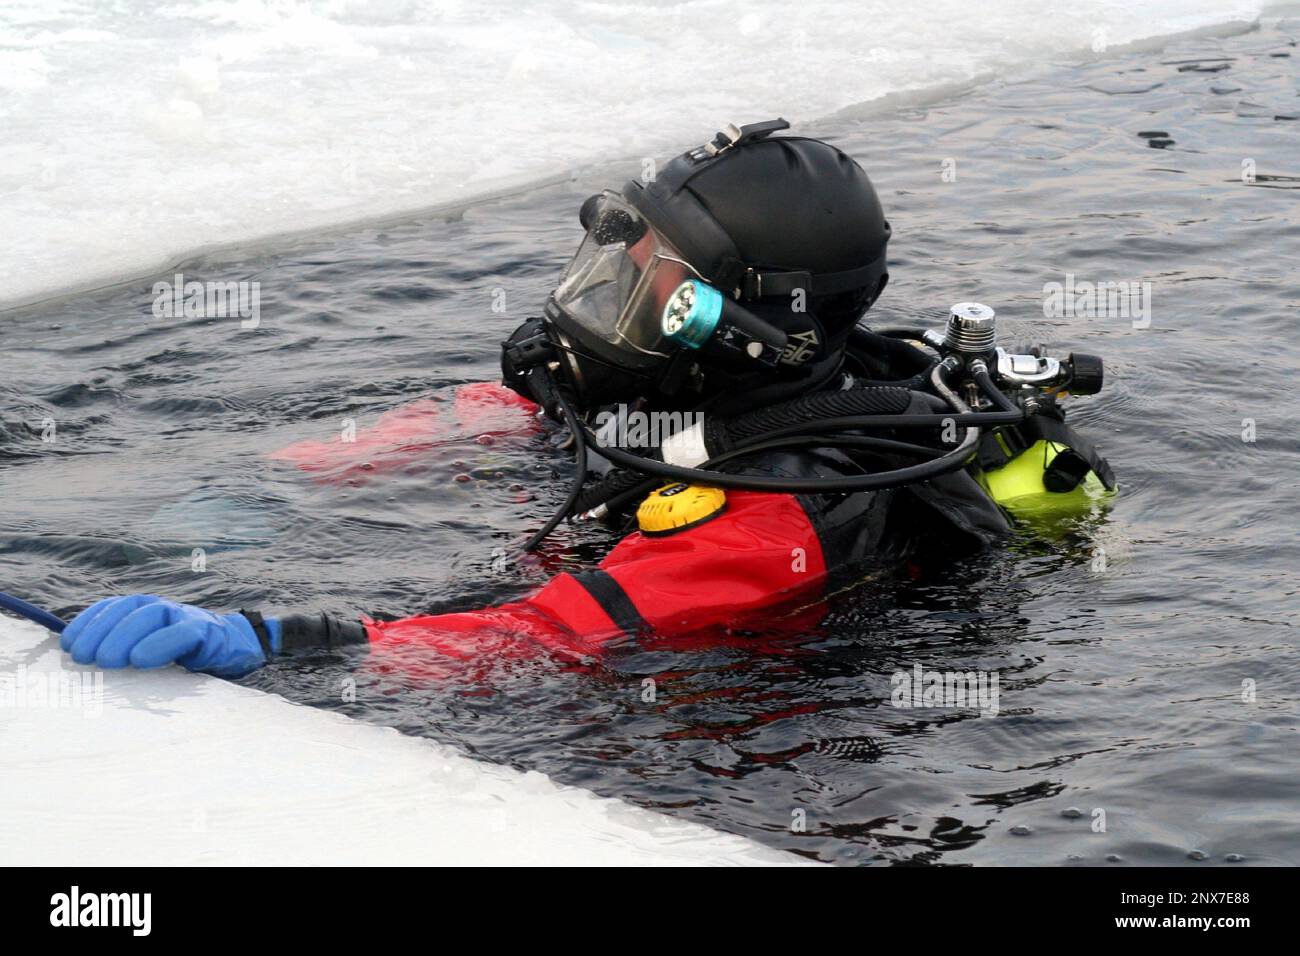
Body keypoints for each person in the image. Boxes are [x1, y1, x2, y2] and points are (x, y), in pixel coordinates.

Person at [59, 120, 1114, 680]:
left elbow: (535, 634)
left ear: (734, 329)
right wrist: (253, 488)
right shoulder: (680, 382)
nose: (601, 304)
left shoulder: (775, 514)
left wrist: (275, 636)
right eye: (613, 260)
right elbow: (497, 412)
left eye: (646, 287)